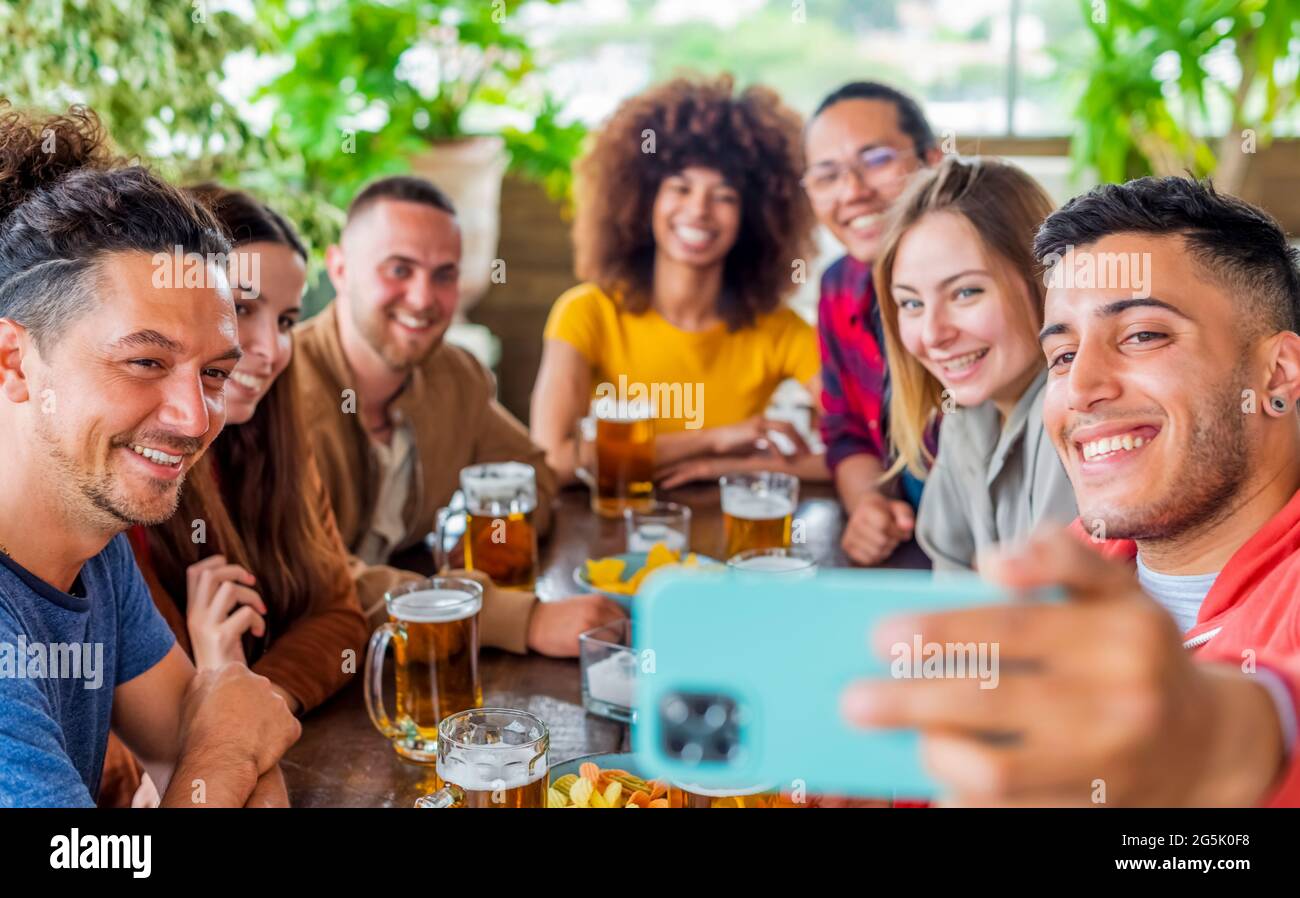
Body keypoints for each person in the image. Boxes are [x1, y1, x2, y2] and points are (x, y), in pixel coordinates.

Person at [842, 176, 1300, 806]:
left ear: (1278, 373)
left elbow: (1242, 740)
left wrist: (1226, 749)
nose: (1081, 386)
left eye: (1143, 335)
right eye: (1060, 355)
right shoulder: (1064, 570)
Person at [0, 103, 298, 807]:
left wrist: (220, 746)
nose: (195, 417)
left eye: (214, 374)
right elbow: (225, 743)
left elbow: (239, 756)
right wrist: (221, 746)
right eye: (143, 362)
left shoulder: (91, 541)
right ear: (14, 361)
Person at [98, 185, 370, 807]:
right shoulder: (117, 490)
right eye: (244, 308)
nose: (270, 349)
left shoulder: (274, 444)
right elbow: (131, 762)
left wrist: (241, 697)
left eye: (287, 321)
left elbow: (341, 620)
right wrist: (223, 701)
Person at [295, 175, 622, 656]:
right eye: (399, 270)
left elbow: (534, 475)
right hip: (300, 671)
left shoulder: (455, 375)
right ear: (339, 268)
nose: (424, 298)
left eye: (444, 274)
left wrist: (475, 539)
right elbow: (310, 573)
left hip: (406, 653)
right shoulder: (280, 390)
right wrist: (517, 618)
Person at [531, 74, 826, 489]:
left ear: (755, 217)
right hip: (616, 541)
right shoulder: (587, 313)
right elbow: (554, 461)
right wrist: (714, 441)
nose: (698, 210)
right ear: (642, 199)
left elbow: (859, 452)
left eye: (724, 196)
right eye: (680, 188)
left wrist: (734, 467)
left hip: (730, 541)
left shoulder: (781, 330)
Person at [875, 157, 1076, 571]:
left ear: (1043, 279)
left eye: (965, 292)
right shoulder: (966, 417)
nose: (933, 334)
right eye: (911, 303)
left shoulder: (1073, 417)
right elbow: (951, 575)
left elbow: (1049, 615)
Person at [802, 82, 944, 565]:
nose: (853, 192)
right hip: (911, 550)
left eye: (878, 159)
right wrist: (868, 505)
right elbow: (846, 431)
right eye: (827, 176)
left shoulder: (997, 288)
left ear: (934, 159)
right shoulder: (839, 285)